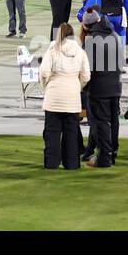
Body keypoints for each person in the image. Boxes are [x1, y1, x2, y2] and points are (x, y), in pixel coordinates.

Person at [40, 23, 90, 170]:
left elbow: (44, 72)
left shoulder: (52, 50)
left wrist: (46, 86)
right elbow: (86, 76)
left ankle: (52, 163)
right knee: (71, 132)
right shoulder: (80, 52)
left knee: (52, 132)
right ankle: (72, 163)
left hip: (54, 96)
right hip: (72, 97)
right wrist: (77, 85)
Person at [81, 9, 124, 168]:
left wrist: (85, 87)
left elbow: (89, 69)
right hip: (115, 86)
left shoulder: (92, 39)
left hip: (99, 88)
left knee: (101, 124)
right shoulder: (114, 35)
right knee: (113, 121)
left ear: (87, 24)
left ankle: (104, 158)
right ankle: (112, 154)